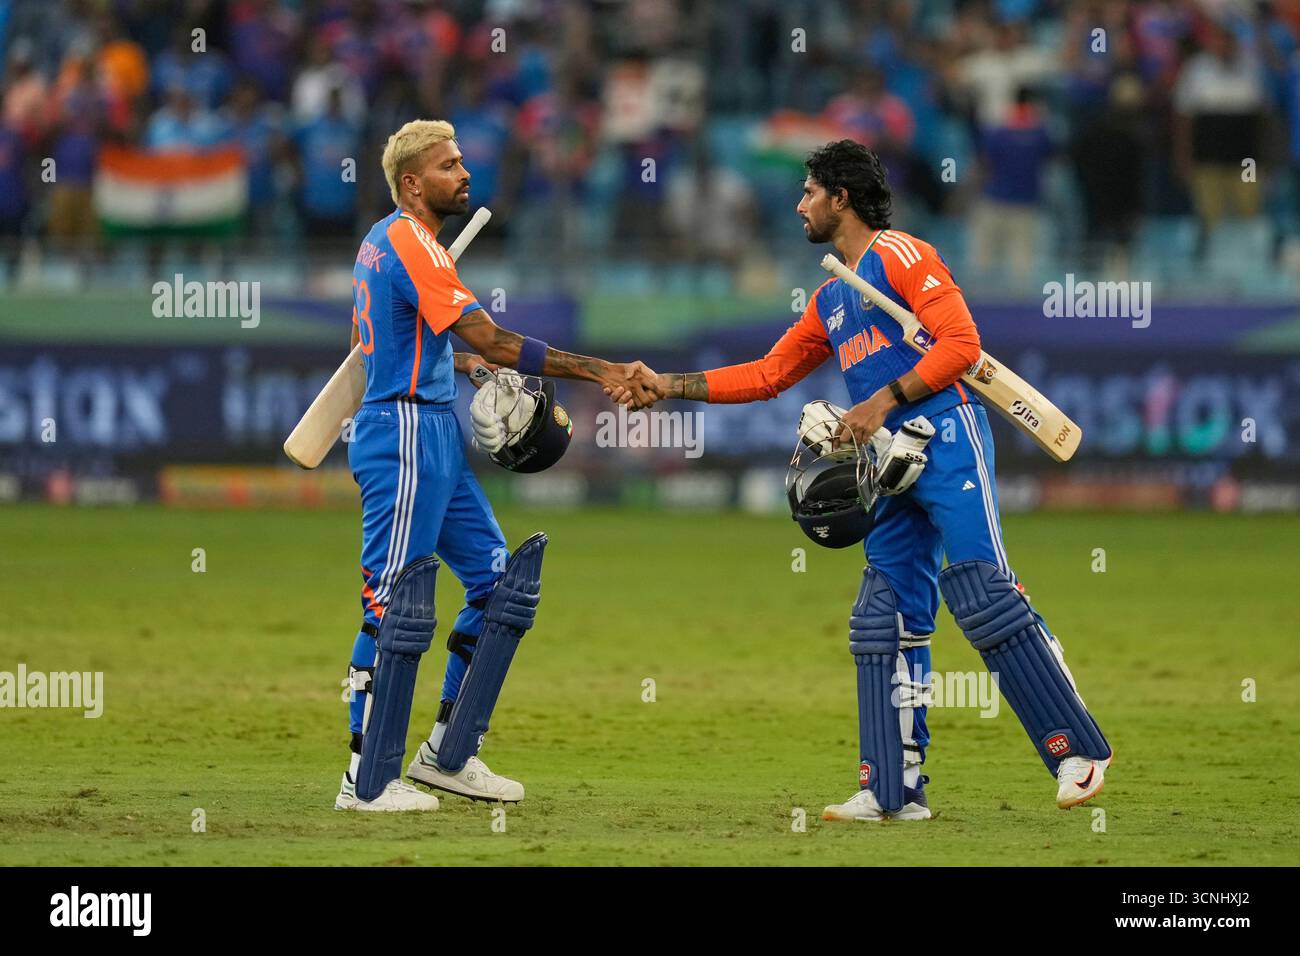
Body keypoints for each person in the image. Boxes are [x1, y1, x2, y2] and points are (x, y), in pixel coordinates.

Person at [604, 140, 1113, 821]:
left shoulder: (902, 255)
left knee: (984, 596)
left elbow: (961, 347)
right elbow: (765, 376)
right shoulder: (833, 298)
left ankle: (1077, 749)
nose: (799, 204)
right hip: (889, 465)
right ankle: (893, 789)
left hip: (949, 439)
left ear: (841, 197)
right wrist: (665, 385)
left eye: (809, 191)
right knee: (885, 619)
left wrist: (881, 401)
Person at [336, 119, 660, 811]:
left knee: (495, 585)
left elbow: (396, 341)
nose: (465, 173)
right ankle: (363, 779)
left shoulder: (397, 242)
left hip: (433, 424)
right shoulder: (406, 240)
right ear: (413, 182)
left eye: (463, 161)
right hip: (401, 433)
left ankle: (447, 754)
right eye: (450, 165)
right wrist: (596, 368)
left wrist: (456, 359)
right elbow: (491, 334)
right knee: (391, 603)